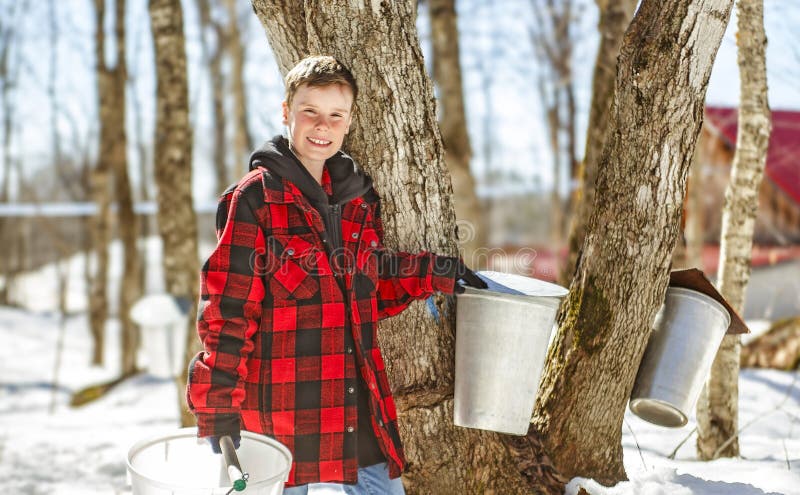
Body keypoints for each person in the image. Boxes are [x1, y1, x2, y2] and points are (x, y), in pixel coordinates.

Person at [186, 55, 485, 494]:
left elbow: (368, 284)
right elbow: (229, 310)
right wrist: (217, 407)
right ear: (287, 111)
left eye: (335, 115)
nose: (321, 126)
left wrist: (435, 271)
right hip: (277, 413)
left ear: (349, 122)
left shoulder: (358, 200)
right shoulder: (255, 199)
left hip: (355, 405)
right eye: (310, 111)